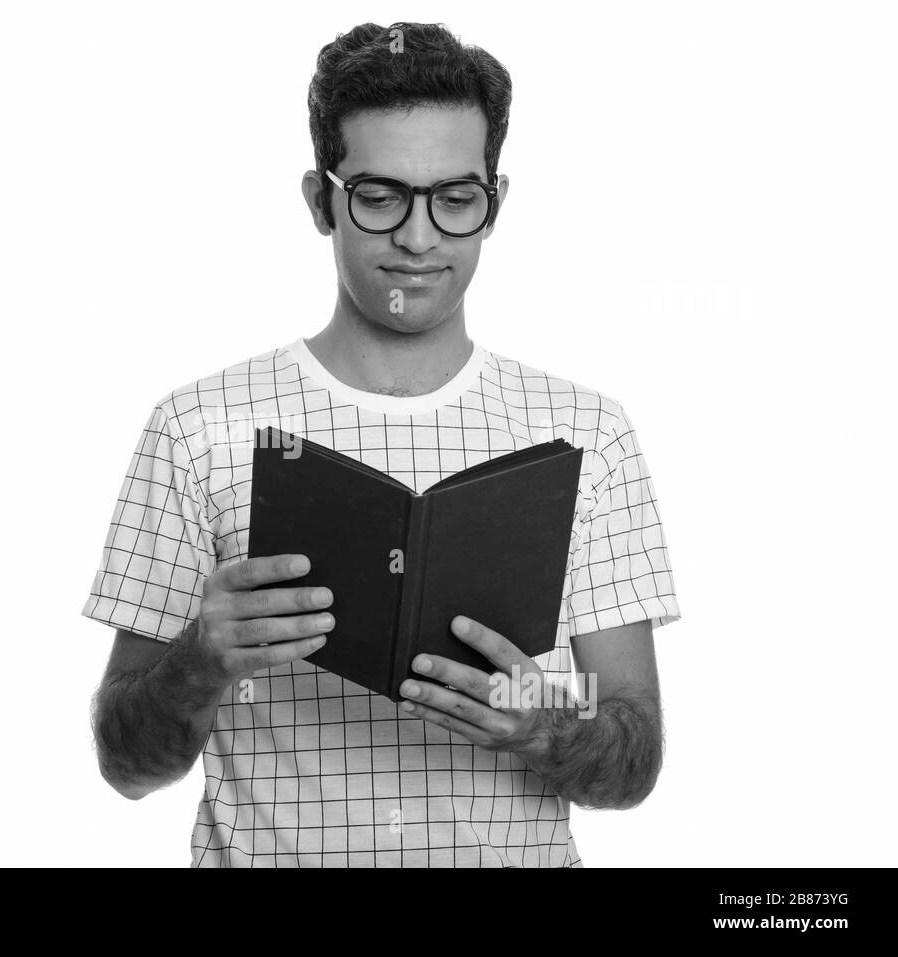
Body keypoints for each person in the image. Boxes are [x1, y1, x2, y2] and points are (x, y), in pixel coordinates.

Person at [81, 21, 682, 867]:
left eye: (454, 198)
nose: (418, 236)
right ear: (320, 200)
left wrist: (546, 724)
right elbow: (125, 764)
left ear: (494, 203)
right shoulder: (198, 428)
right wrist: (197, 662)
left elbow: (634, 756)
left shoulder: (588, 435)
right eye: (379, 195)